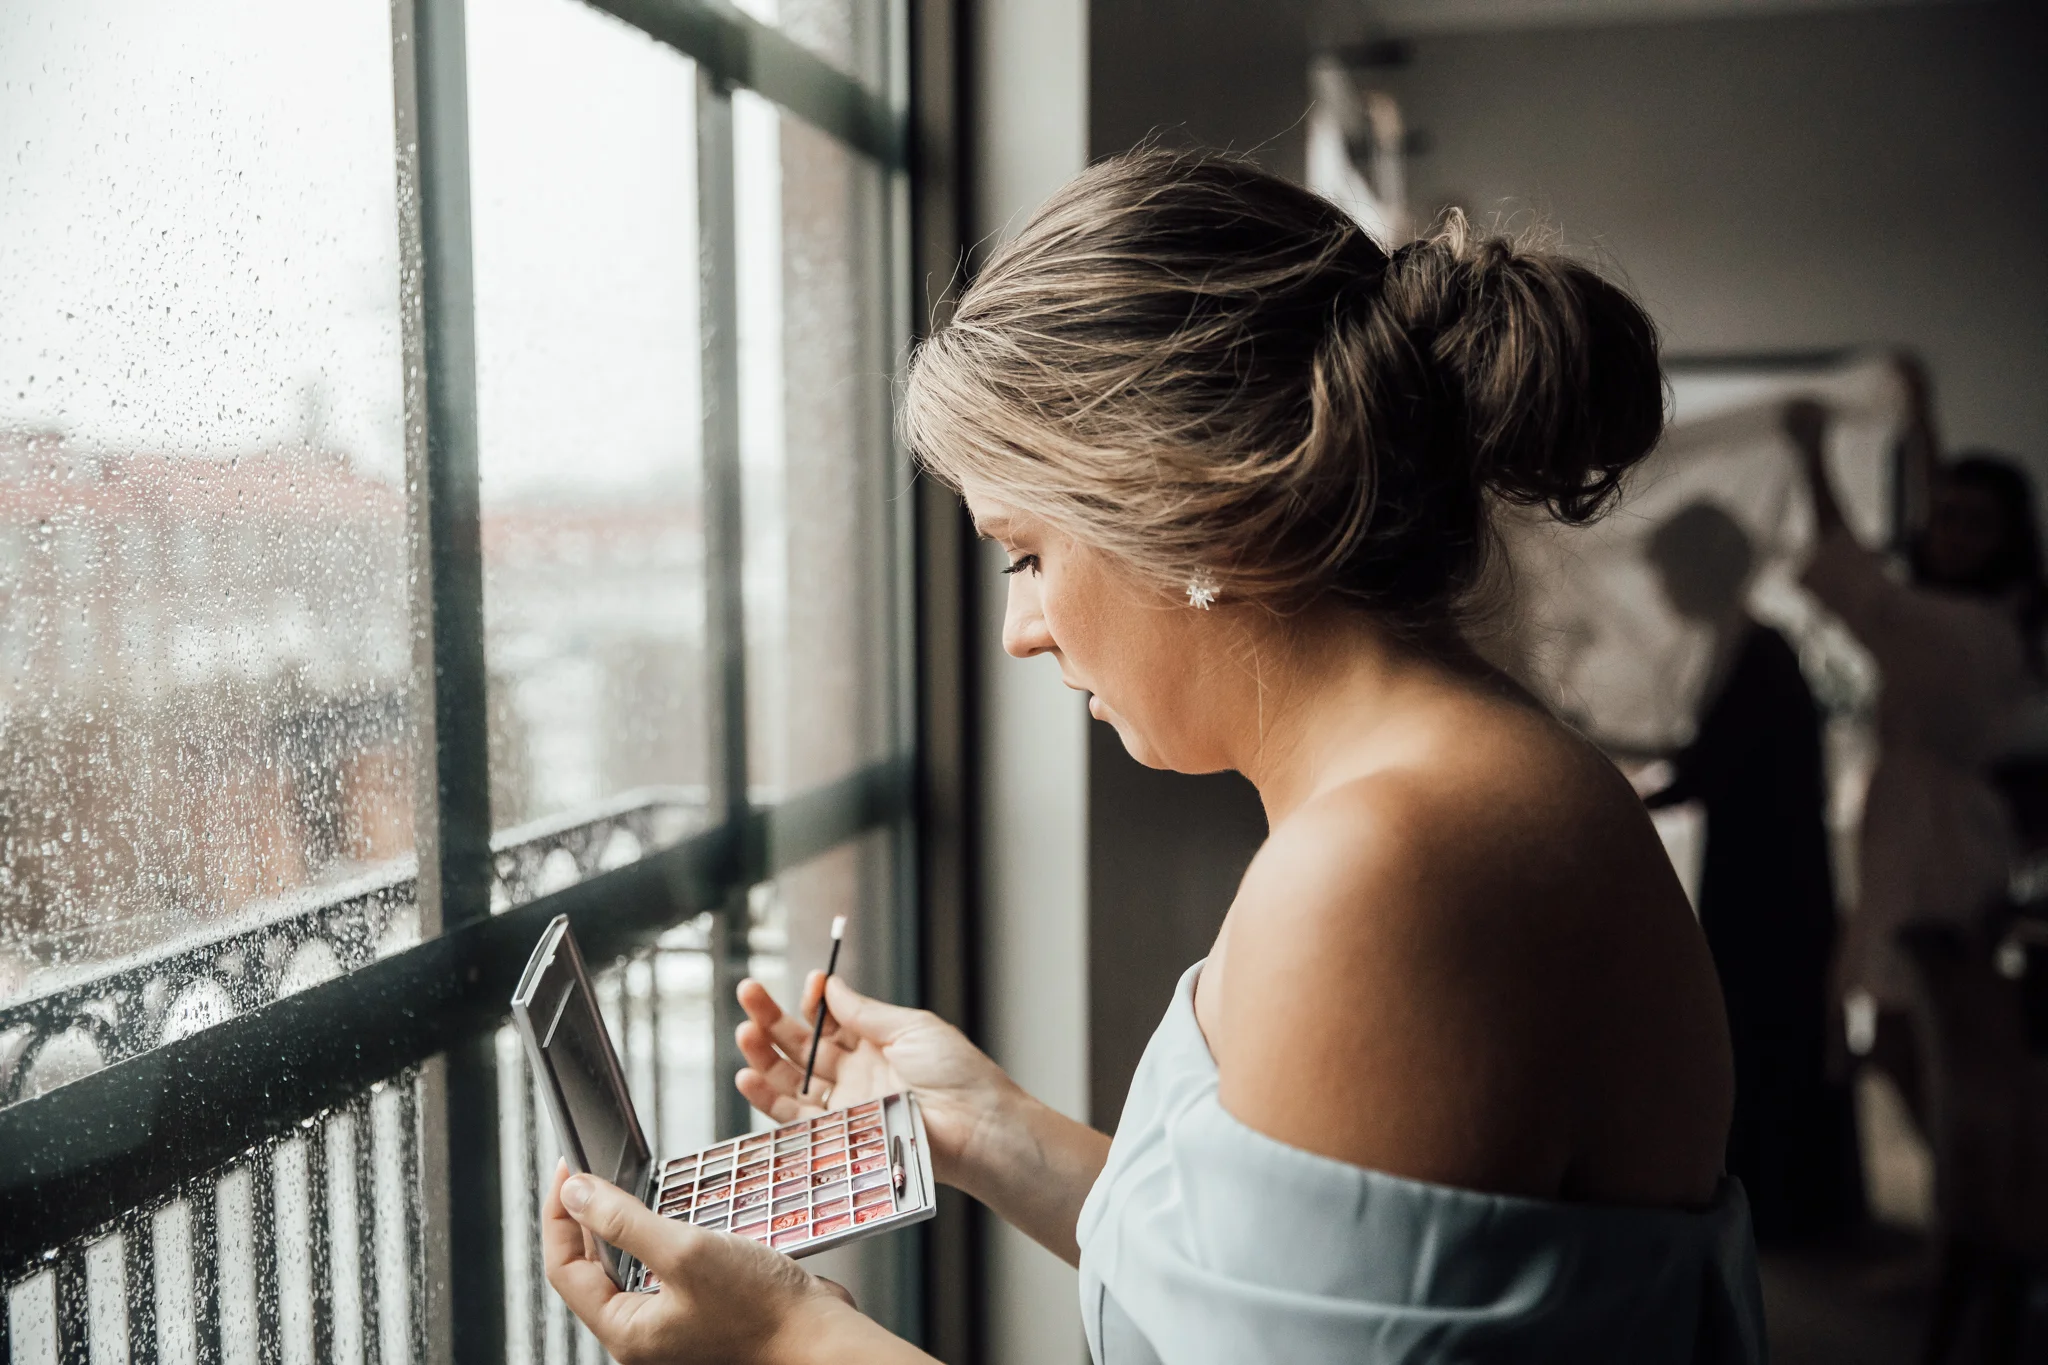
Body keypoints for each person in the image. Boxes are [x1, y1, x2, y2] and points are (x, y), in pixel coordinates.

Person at [541, 149, 1764, 1364]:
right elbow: (1288, 1294)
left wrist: (786, 1340)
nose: (1019, 630)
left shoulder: (1386, 870)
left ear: (1191, 509)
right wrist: (985, 1127)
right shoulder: (1481, 786)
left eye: (1025, 554)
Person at [1787, 381, 2041, 1122]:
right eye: (1946, 518)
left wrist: (1811, 456)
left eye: (1975, 523)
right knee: (1923, 1025)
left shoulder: (1965, 634)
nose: (1951, 533)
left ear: (2005, 538)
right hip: (1937, 833)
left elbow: (1857, 585)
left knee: (1928, 1029)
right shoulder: (1995, 620)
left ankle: (1971, 1186)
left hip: (1942, 845)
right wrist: (1924, 419)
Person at [1639, 501, 1862, 1244]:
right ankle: (1784, 1197)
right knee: (1762, 1027)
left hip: (1774, 886)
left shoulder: (1760, 651)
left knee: (1772, 1029)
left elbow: (1718, 765)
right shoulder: (1740, 645)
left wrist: (1631, 794)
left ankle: (1792, 1203)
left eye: (1669, 573)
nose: (1664, 589)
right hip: (1763, 874)